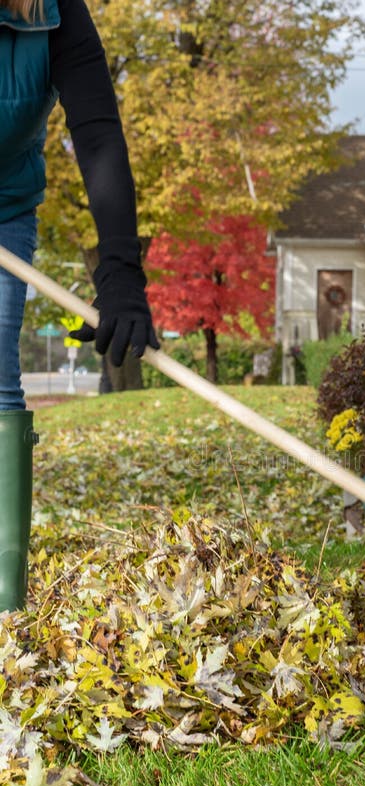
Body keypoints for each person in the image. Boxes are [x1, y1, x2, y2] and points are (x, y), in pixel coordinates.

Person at [0, 0, 159, 612]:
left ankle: (4, 598)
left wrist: (121, 271)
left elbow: (95, 132)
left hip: (5, 203)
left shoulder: (51, 9)